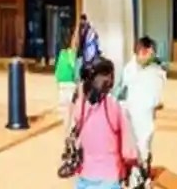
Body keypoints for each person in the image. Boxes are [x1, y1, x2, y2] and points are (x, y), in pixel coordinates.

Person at [68, 56, 138, 188]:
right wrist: (136, 163)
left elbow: (72, 133)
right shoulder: (114, 107)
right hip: (109, 178)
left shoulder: (81, 106)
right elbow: (128, 152)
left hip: (84, 177)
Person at [119, 36, 167, 187]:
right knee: (132, 151)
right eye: (150, 53)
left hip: (146, 119)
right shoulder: (129, 69)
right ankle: (135, 177)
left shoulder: (154, 70)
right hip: (131, 118)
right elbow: (121, 93)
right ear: (142, 51)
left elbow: (157, 93)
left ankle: (142, 177)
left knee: (144, 148)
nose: (152, 56)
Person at [55, 29, 79, 123]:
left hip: (62, 85)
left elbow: (58, 72)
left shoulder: (62, 54)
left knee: (65, 112)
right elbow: (76, 71)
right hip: (70, 85)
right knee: (72, 113)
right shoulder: (74, 56)